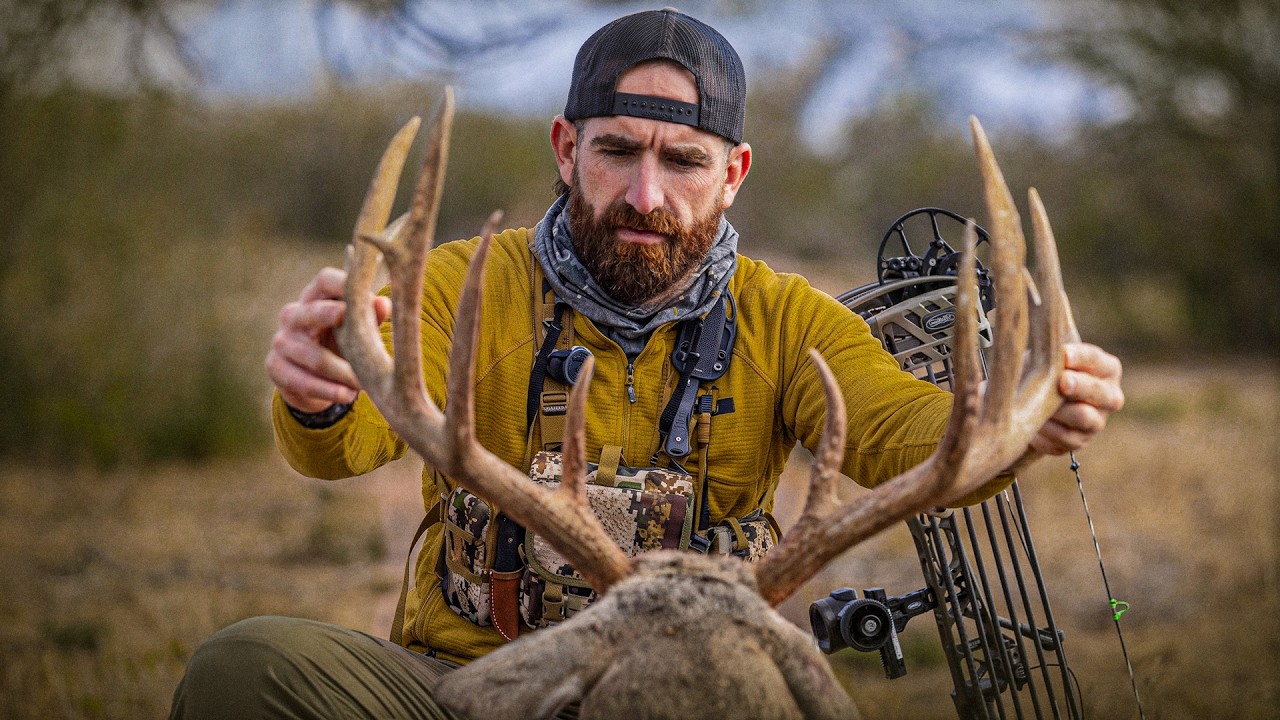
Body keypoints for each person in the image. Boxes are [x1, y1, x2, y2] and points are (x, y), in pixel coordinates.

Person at [171, 8, 1125, 718]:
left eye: (683, 162)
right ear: (564, 147)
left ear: (734, 171)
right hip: (472, 685)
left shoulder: (787, 318)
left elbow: (894, 428)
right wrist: (327, 388)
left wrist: (1015, 427)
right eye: (617, 151)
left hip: (691, 688)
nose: (644, 193)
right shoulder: (461, 284)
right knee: (243, 671)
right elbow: (342, 447)